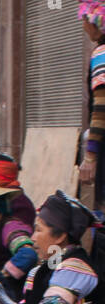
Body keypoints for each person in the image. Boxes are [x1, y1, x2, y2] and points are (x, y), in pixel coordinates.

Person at [14, 190, 101, 304]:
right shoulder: (45, 268)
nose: (33, 237)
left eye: (39, 230)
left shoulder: (75, 267)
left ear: (60, 236)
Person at [80, 1, 105, 207]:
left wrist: (90, 156)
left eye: (84, 19)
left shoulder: (102, 53)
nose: (84, 26)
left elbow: (101, 107)